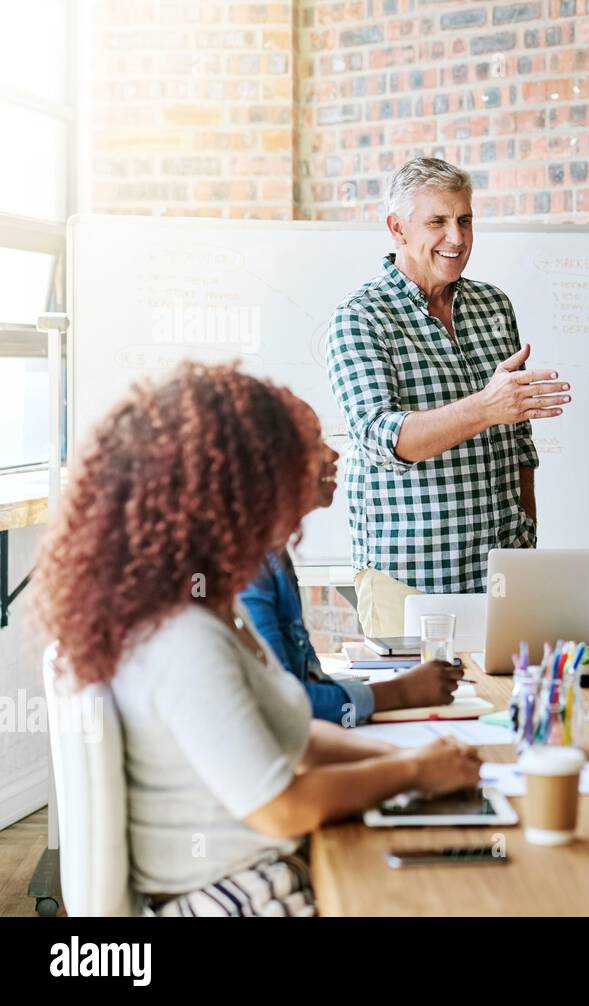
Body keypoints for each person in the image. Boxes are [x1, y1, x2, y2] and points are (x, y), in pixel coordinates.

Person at [36, 363, 482, 916]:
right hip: (237, 897)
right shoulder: (183, 638)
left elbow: (295, 737)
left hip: (261, 878)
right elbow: (282, 808)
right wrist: (411, 772)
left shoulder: (207, 607)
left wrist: (412, 761)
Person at [327, 156, 570, 637]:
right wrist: (485, 407)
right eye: (437, 222)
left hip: (503, 576)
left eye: (464, 220)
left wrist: (526, 540)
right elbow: (384, 439)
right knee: (420, 692)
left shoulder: (492, 305)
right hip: (410, 581)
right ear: (397, 228)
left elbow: (519, 442)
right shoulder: (361, 317)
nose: (456, 238)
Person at [238, 435, 462, 725]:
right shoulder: (249, 569)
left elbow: (305, 682)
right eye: (314, 443)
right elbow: (287, 706)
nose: (334, 454)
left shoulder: (275, 558)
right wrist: (401, 692)